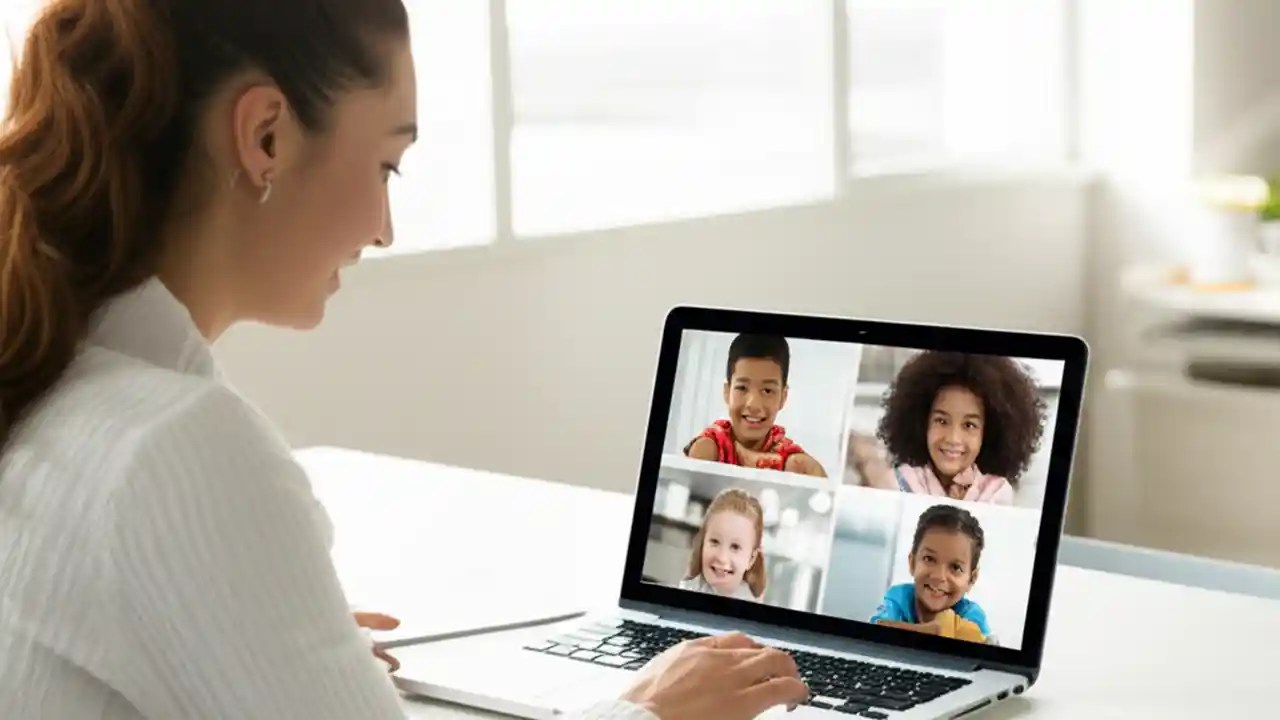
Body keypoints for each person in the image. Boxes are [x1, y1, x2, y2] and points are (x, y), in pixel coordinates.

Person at [0, 2, 808, 718]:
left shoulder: (57, 384)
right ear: (265, 136)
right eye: (387, 162)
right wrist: (650, 713)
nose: (385, 228)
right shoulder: (175, 447)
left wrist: (262, 632)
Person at [847, 351, 1046, 504]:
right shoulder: (897, 482)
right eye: (941, 421)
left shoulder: (996, 492)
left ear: (990, 433)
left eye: (969, 425)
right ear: (922, 423)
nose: (953, 438)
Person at [684, 334, 827, 477]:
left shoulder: (792, 460)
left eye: (767, 390)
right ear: (727, 392)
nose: (753, 404)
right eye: (742, 388)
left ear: (783, 397)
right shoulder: (710, 447)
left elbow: (821, 485)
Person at [870, 504, 992, 644]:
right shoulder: (898, 597)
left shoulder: (972, 615)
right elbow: (877, 631)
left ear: (971, 579)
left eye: (955, 567)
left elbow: (980, 644)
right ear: (912, 563)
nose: (939, 576)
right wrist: (937, 631)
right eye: (929, 559)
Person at [678, 488, 767, 602]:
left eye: (735, 547)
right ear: (703, 543)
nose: (722, 557)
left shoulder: (753, 608)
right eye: (714, 542)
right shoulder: (685, 592)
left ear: (751, 559)